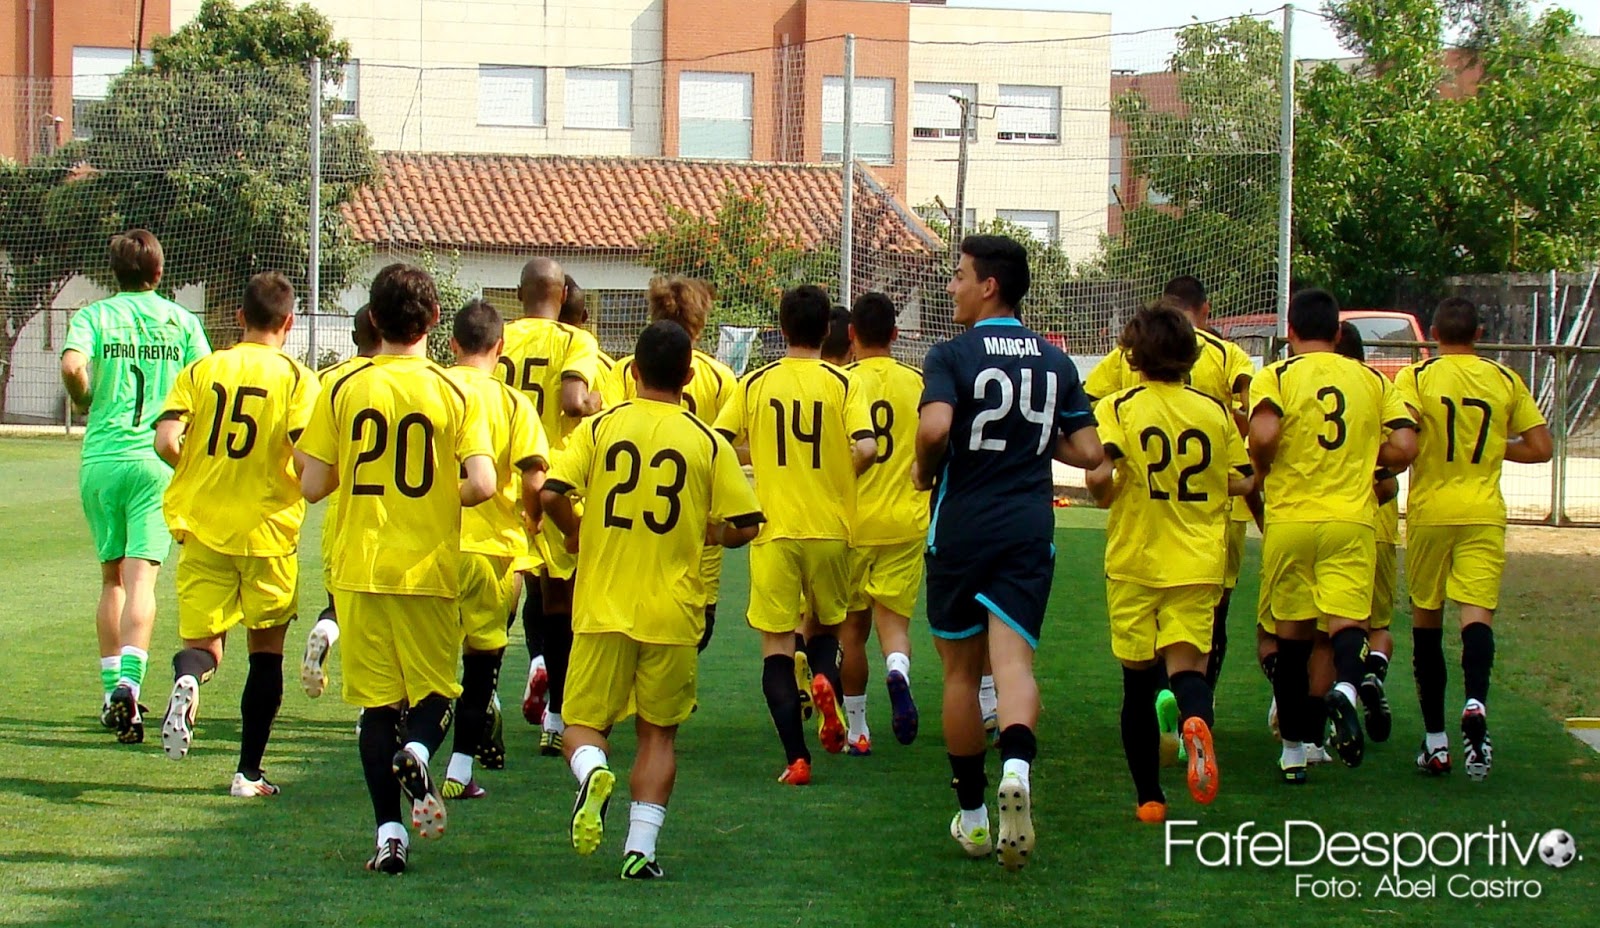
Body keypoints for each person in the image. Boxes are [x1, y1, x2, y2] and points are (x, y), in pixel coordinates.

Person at [543, 320, 765, 880]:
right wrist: (713, 535)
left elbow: (550, 492)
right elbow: (747, 524)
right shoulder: (707, 441)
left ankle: (592, 769)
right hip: (674, 612)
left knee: (581, 725)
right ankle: (640, 849)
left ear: (633, 373)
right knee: (658, 734)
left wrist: (574, 531)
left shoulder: (600, 428)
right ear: (689, 377)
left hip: (602, 605)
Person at [296, 264, 496, 875]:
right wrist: (438, 494)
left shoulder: (340, 386)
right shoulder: (454, 390)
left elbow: (311, 485)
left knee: (376, 706)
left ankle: (388, 837)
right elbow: (483, 483)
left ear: (374, 321)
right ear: (435, 320)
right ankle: (418, 750)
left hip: (359, 567)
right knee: (438, 690)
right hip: (426, 566)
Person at [915, 235, 1103, 870]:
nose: (951, 288)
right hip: (1028, 525)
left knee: (963, 674)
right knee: (1014, 663)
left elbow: (937, 427)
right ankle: (1016, 767)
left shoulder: (951, 353)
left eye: (959, 276)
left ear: (988, 284)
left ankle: (971, 817)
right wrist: (1030, 439)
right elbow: (1088, 453)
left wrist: (922, 468)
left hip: (963, 523)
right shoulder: (1056, 360)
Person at [151, 272, 318, 796]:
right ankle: (248, 773)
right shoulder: (296, 378)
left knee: (204, 646)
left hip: (203, 525)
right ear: (288, 323)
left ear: (239, 318)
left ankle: (187, 679)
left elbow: (165, 440)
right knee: (265, 653)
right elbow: (302, 454)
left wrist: (198, 467)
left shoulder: (203, 368)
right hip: (266, 531)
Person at [1085, 304, 1252, 823]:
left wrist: (1105, 492)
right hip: (1199, 559)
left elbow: (1098, 473)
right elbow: (1244, 479)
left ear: (1133, 355)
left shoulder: (1120, 406)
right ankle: (1195, 723)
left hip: (1137, 556)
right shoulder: (1214, 411)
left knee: (1137, 685)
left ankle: (1150, 798)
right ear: (1190, 355)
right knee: (1187, 668)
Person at [1249, 288, 1416, 782]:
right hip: (1351, 518)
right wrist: (1368, 454)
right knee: (1345, 625)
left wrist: (1265, 467)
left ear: (1291, 333)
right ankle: (1344, 689)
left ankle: (1294, 751)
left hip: (1292, 517)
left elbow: (1261, 436)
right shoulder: (1370, 379)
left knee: (1291, 637)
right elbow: (1405, 447)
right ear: (1339, 333)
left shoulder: (1276, 375)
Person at [713, 284, 876, 785]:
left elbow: (717, 444)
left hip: (774, 530)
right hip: (830, 530)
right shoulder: (843, 383)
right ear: (828, 329)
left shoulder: (755, 383)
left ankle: (796, 759)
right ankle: (825, 677)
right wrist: (837, 473)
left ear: (780, 329)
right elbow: (867, 448)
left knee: (777, 646)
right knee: (825, 629)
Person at [60, 229, 212, 743]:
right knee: (142, 579)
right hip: (156, 461)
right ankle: (130, 681)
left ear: (114, 272)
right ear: (159, 272)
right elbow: (206, 383)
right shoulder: (182, 321)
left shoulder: (95, 316)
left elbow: (72, 366)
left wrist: (83, 395)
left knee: (111, 580)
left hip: (103, 457)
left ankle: (111, 693)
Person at [1396, 297, 1551, 780]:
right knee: (1476, 615)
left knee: (1427, 620)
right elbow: (1541, 447)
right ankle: (1477, 702)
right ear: (1479, 333)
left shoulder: (1417, 378)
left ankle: (1437, 742)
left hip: (1431, 512)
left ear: (1434, 334)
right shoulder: (1503, 378)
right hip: (1483, 511)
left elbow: (1405, 444)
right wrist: (1490, 446)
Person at [441, 300, 550, 799]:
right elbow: (534, 473)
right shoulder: (513, 403)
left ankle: (411, 744)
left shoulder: (431, 387)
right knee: (481, 663)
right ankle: (460, 771)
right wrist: (532, 516)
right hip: (491, 548)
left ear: (453, 344)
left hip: (427, 544)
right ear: (500, 350)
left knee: (428, 662)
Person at [499, 257, 604, 755]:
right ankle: (558, 717)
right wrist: (593, 404)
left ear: (519, 293)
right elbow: (571, 401)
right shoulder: (574, 340)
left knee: (499, 598)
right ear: (562, 296)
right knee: (561, 603)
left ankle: (485, 698)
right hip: (553, 478)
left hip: (501, 480)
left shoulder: (499, 335)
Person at [605, 276, 738, 651]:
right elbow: (729, 447)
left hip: (630, 517)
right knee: (690, 627)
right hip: (695, 523)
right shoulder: (719, 377)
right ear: (700, 319)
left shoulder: (625, 370)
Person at [842, 291, 929, 753]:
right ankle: (898, 669)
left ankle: (858, 729)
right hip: (905, 519)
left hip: (853, 523)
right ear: (896, 334)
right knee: (894, 625)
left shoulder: (841, 382)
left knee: (851, 631)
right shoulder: (918, 383)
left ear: (852, 334)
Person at [300, 304, 379, 699]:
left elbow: (311, 461)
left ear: (353, 339)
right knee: (383, 624)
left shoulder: (327, 380)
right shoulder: (404, 379)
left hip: (340, 511)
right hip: (393, 513)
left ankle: (327, 630)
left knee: (340, 603)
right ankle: (373, 711)